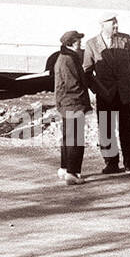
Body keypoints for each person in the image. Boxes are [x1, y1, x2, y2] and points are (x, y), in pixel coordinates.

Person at [83, 13, 130, 177]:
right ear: (103, 25)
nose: (117, 27)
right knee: (106, 128)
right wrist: (97, 89)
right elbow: (87, 72)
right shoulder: (91, 44)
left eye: (117, 24)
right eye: (113, 24)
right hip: (105, 94)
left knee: (129, 130)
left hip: (126, 92)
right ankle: (111, 163)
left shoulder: (125, 39)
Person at [53, 30, 90, 185]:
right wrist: (84, 98)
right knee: (76, 139)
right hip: (73, 103)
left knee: (68, 138)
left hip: (65, 103)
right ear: (72, 43)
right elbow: (72, 84)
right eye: (78, 41)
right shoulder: (69, 59)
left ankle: (64, 168)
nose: (80, 43)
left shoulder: (62, 57)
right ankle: (73, 172)